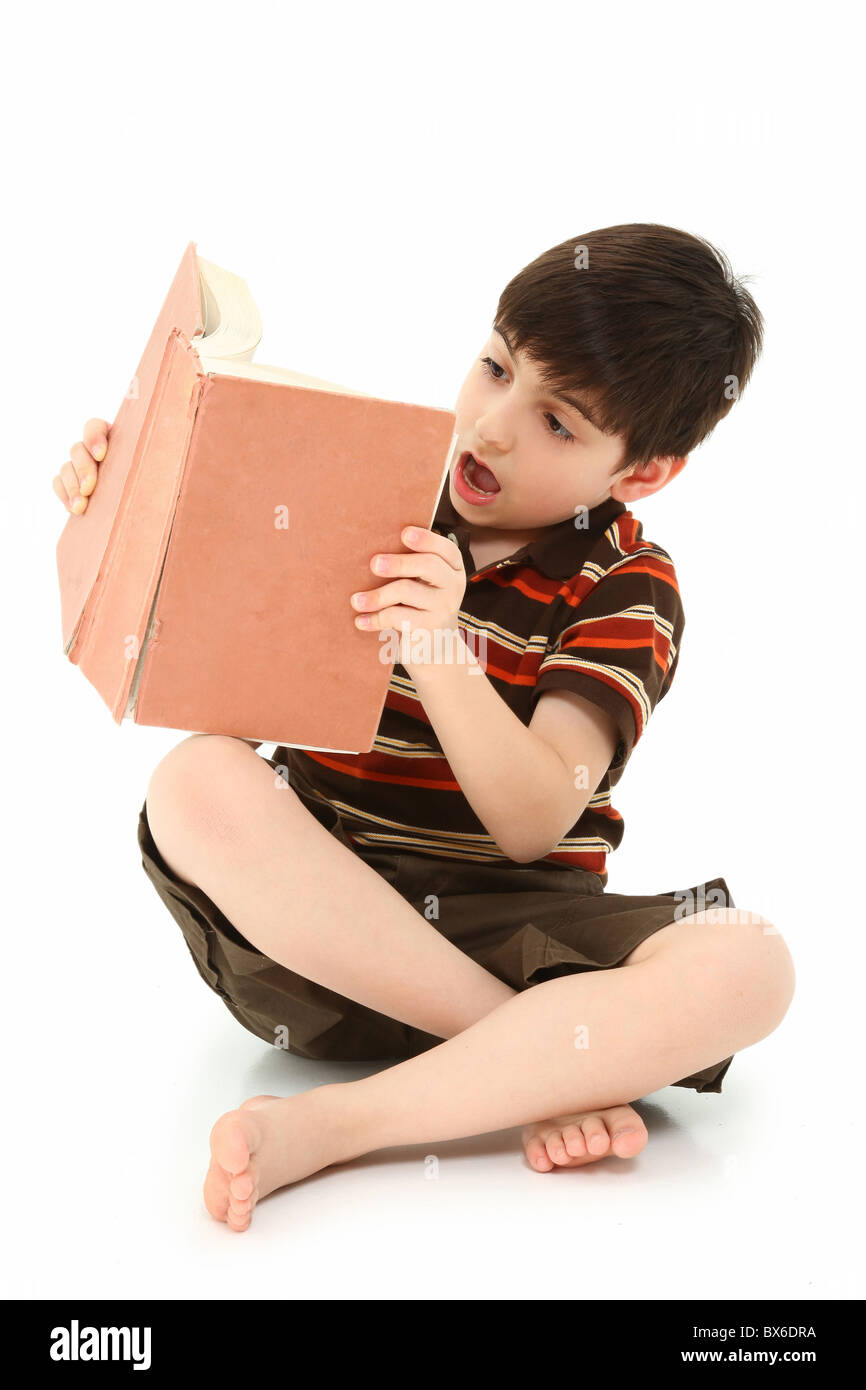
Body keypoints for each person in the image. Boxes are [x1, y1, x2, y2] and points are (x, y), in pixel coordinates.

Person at [53, 224, 795, 1233]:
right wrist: (125, 503)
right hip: (324, 934)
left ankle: (340, 1126)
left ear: (644, 471)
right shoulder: (371, 490)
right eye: (493, 366)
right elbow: (206, 661)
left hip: (518, 937)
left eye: (557, 423)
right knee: (193, 779)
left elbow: (534, 816)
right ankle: (521, 1064)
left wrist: (439, 646)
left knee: (747, 960)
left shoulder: (624, 582)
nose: (489, 426)